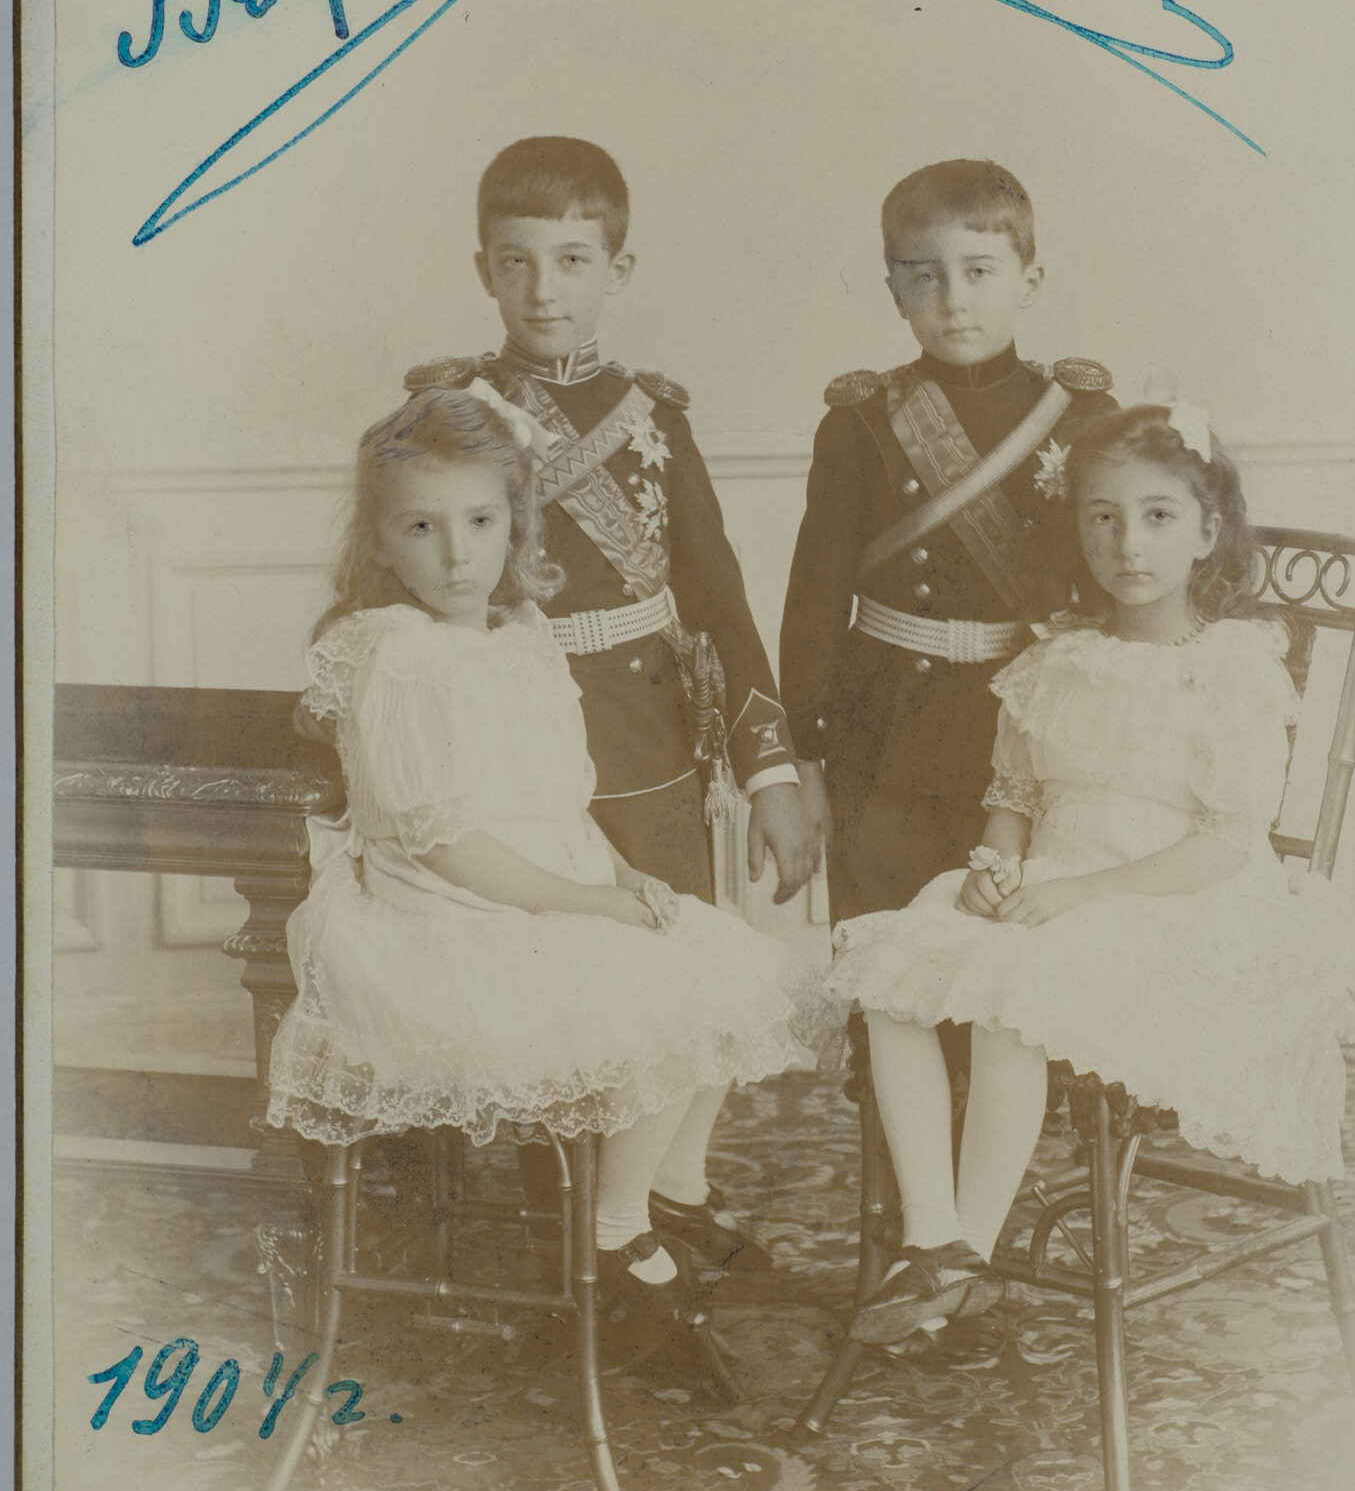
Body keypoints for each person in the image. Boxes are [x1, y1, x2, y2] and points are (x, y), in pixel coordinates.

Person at [265, 384, 835, 1376]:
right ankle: (618, 1237)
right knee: (666, 997)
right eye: (423, 527)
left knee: (721, 959)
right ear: (381, 541)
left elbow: (560, 801)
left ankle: (658, 1196)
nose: (457, 555)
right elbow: (443, 844)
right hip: (442, 919)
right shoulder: (393, 656)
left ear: (514, 521)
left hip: (539, 888)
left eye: (481, 522)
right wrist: (588, 902)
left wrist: (623, 878)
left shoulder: (521, 637)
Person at [822, 401, 1354, 1344]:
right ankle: (935, 1239)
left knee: (1011, 1000)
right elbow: (1014, 797)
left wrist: (1071, 895)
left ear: (1207, 531)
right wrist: (996, 866)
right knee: (895, 974)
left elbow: (1228, 840)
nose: (1127, 544)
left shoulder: (1231, 666)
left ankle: (965, 1251)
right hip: (1049, 886)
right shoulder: (1054, 660)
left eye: (1156, 516)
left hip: (1176, 902)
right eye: (1101, 517)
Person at [404, 135, 821, 1283]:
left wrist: (773, 774)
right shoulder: (451, 417)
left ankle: (663, 1203)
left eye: (576, 260)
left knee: (687, 992)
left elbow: (719, 607)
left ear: (618, 271)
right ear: (484, 269)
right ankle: (599, 1249)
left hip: (655, 753)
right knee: (579, 1008)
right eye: (520, 262)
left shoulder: (655, 420)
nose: (548, 291)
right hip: (525, 753)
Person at [779, 156, 1116, 1101]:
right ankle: (907, 1215)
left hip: (1022, 743)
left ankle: (982, 1213)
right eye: (922, 275)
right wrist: (803, 757)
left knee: (1006, 988)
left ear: (1029, 279)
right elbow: (813, 602)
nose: (953, 300)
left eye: (978, 271)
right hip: (882, 739)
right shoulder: (861, 424)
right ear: (892, 288)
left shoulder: (1081, 415)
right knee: (895, 985)